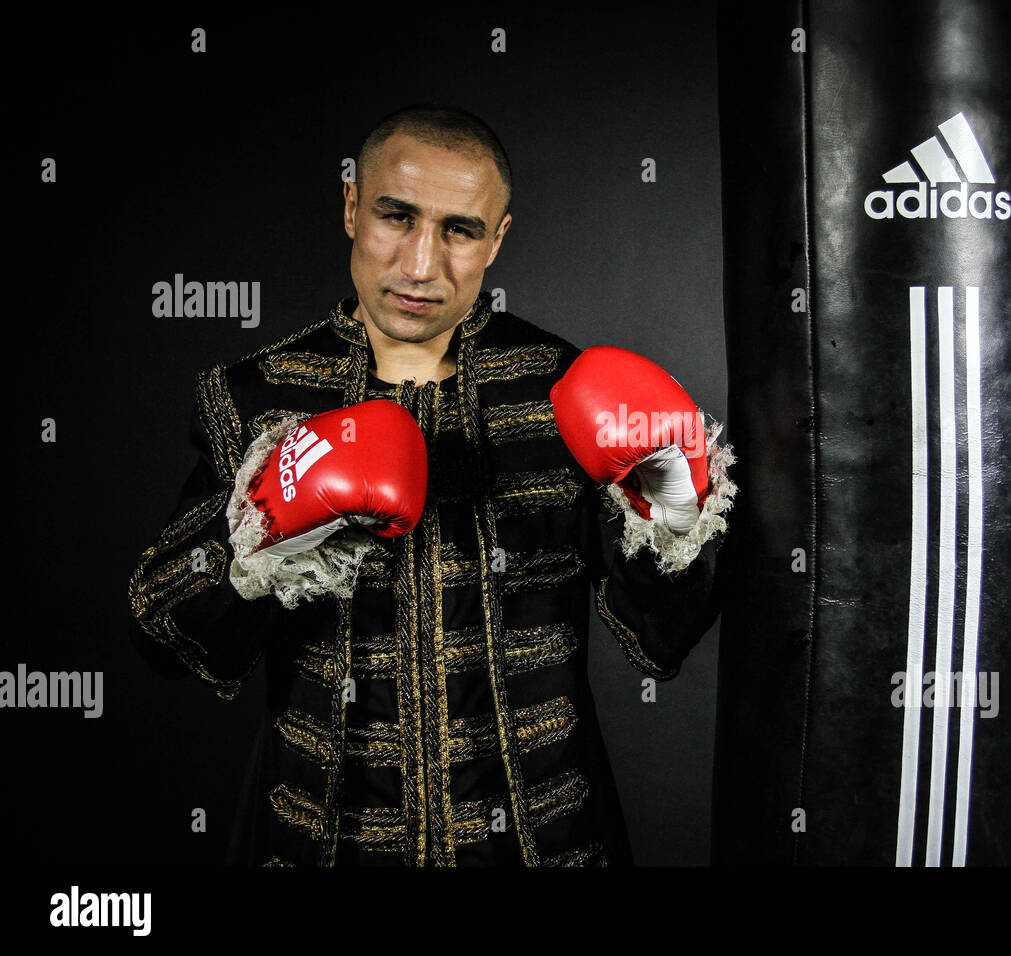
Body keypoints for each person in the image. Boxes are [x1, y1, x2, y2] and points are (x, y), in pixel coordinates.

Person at [127, 104, 737, 867]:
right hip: (322, 842)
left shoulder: (563, 390)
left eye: (460, 230)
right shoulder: (257, 395)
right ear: (351, 206)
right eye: (396, 216)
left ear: (499, 238)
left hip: (540, 842)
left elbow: (662, 639)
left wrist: (677, 509)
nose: (422, 266)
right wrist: (253, 538)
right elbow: (165, 637)